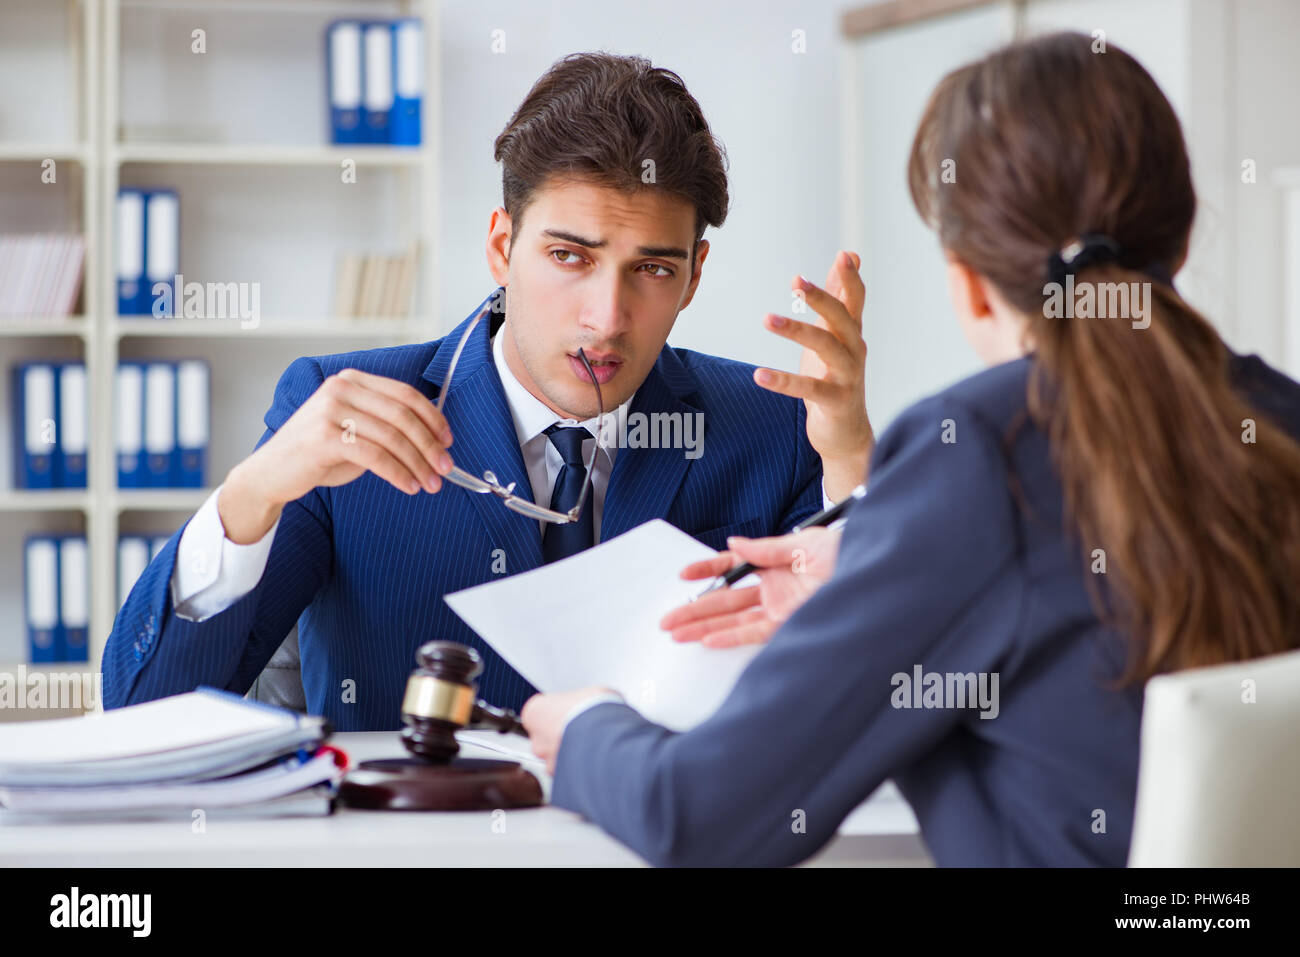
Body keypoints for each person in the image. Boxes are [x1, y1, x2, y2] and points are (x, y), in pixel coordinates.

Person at [520, 32, 1300, 867]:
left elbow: (697, 817)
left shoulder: (983, 452)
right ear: (1179, 243)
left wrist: (585, 724)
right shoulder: (1280, 419)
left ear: (965, 277)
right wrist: (870, 575)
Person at [101, 52, 874, 726]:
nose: (607, 318)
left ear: (693, 277)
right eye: (571, 256)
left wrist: (853, 472)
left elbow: (859, 707)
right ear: (503, 245)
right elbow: (143, 714)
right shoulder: (338, 408)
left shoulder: (779, 425)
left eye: (653, 269)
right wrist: (254, 493)